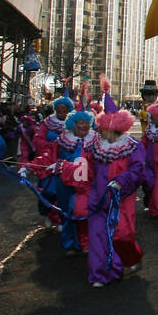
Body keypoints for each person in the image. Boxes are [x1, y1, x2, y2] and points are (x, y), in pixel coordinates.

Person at [62, 108, 150, 286]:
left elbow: (138, 171)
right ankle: (100, 275)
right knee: (98, 238)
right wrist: (62, 168)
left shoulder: (132, 146)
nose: (98, 129)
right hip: (97, 201)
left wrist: (121, 181)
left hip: (121, 202)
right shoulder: (95, 147)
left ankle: (131, 258)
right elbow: (84, 170)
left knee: (122, 236)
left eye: (101, 126)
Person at [22, 108, 95, 256]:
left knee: (83, 213)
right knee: (66, 213)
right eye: (81, 122)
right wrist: (29, 167)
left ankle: (85, 242)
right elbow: (48, 157)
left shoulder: (96, 141)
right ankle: (70, 245)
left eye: (87, 123)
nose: (84, 126)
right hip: (65, 184)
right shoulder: (62, 140)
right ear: (73, 124)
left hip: (86, 185)